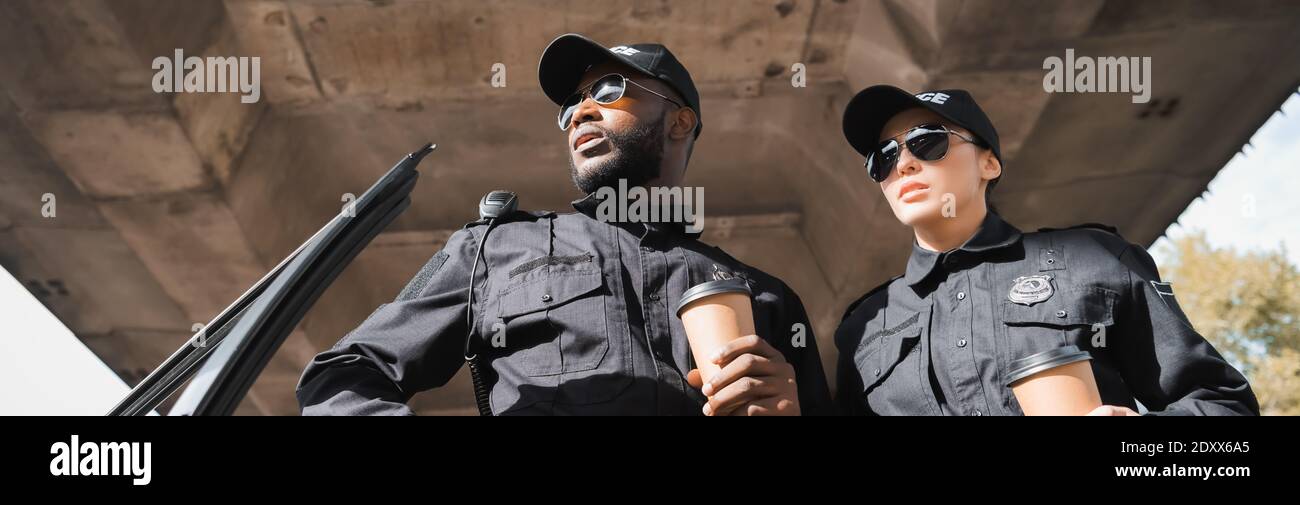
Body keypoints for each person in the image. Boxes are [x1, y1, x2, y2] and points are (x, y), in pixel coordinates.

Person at [296, 34, 832, 416]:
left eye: (606, 90)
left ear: (680, 119)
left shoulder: (764, 296)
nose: (579, 112)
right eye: (571, 104)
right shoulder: (492, 248)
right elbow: (345, 374)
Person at [834, 85, 1258, 416]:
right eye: (883, 157)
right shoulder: (862, 329)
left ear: (989, 163)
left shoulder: (1094, 259)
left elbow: (1225, 406)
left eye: (927, 141)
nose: (904, 164)